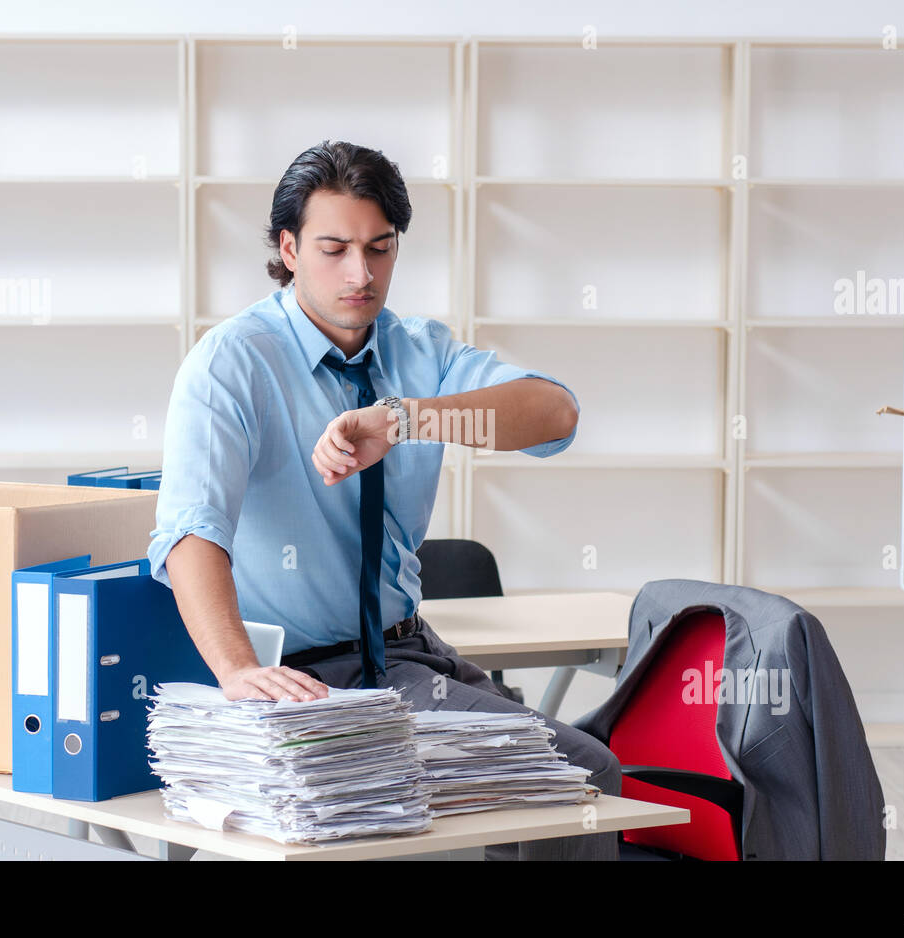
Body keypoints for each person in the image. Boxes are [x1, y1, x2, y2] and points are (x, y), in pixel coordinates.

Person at [148, 139, 621, 860]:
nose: (360, 274)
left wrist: (406, 418)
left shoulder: (419, 352)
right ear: (288, 247)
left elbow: (555, 415)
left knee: (580, 771)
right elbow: (191, 533)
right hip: (306, 676)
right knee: (580, 772)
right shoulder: (233, 364)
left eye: (380, 248)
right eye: (333, 248)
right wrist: (239, 670)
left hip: (407, 658)